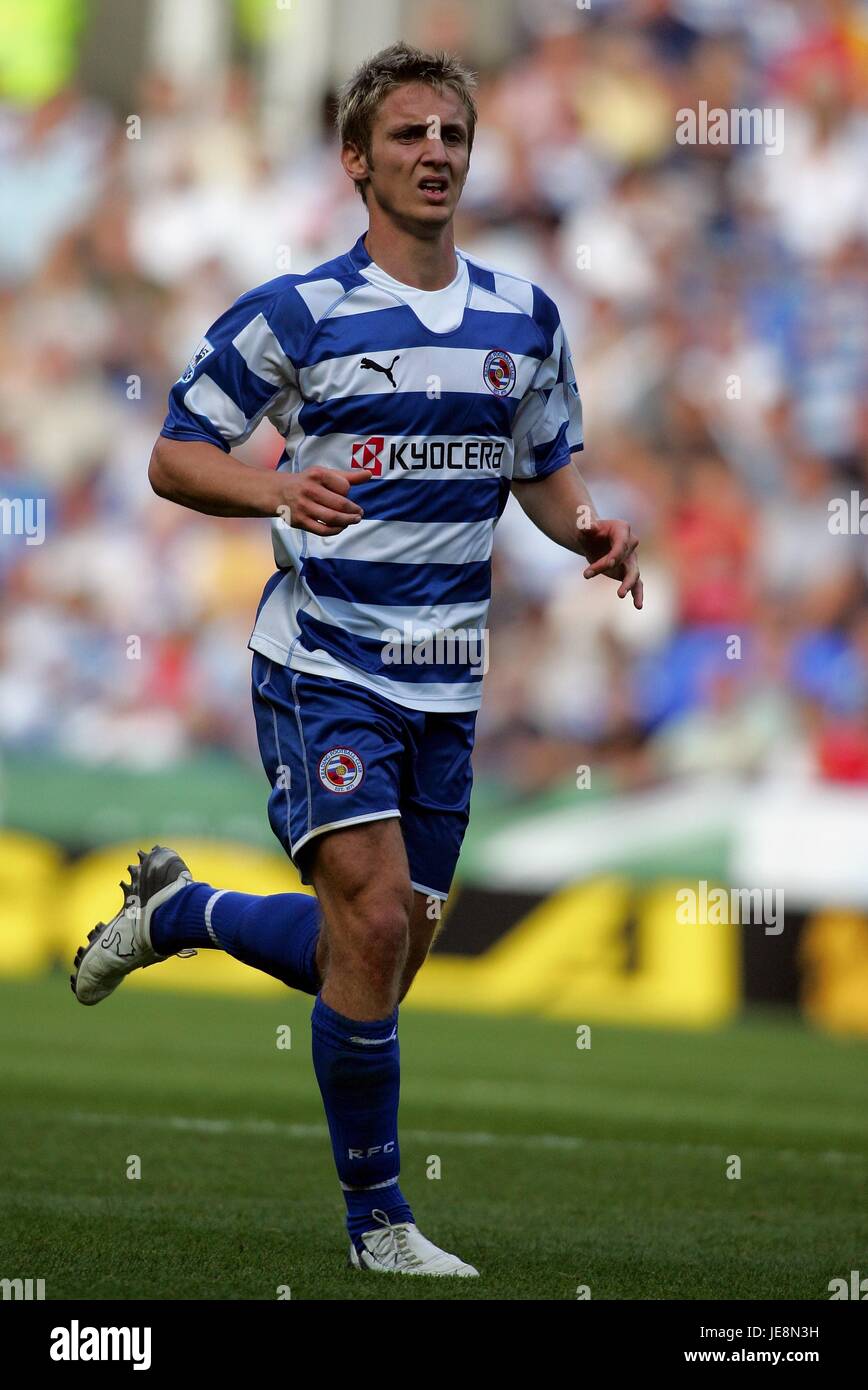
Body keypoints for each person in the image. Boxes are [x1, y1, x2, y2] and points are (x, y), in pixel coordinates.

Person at [71, 40, 642, 1278]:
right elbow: (176, 454)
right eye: (407, 136)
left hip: (451, 679)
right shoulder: (298, 313)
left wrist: (587, 527)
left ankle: (184, 911)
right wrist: (275, 486)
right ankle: (377, 1224)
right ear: (355, 161)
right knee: (374, 917)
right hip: (325, 660)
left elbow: (542, 467)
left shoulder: (522, 318)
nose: (434, 152)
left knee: (369, 956)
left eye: (450, 135)